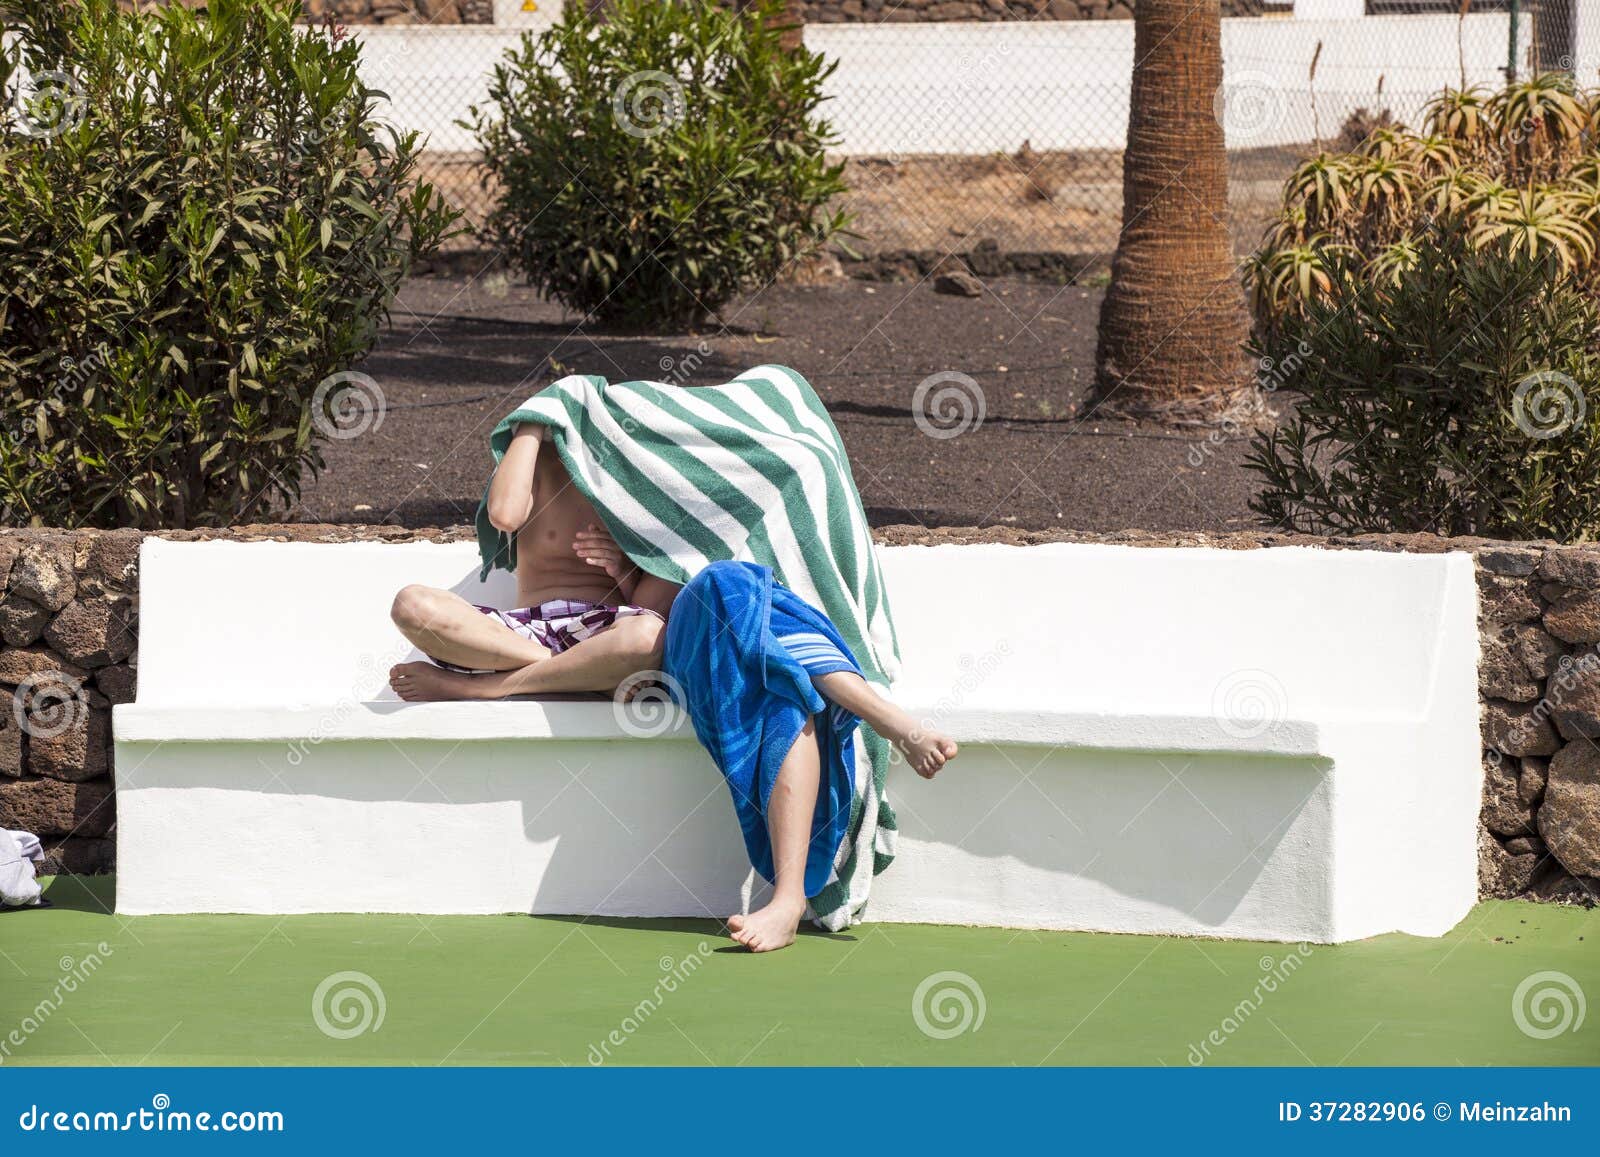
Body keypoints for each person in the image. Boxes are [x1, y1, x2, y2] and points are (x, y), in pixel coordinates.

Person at [387, 421, 679, 701]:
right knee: (411, 604)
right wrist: (532, 421)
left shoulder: (643, 481)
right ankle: (581, 676)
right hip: (520, 636)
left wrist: (623, 569)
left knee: (647, 636)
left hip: (600, 632)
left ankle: (474, 688)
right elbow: (504, 516)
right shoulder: (537, 464)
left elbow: (649, 609)